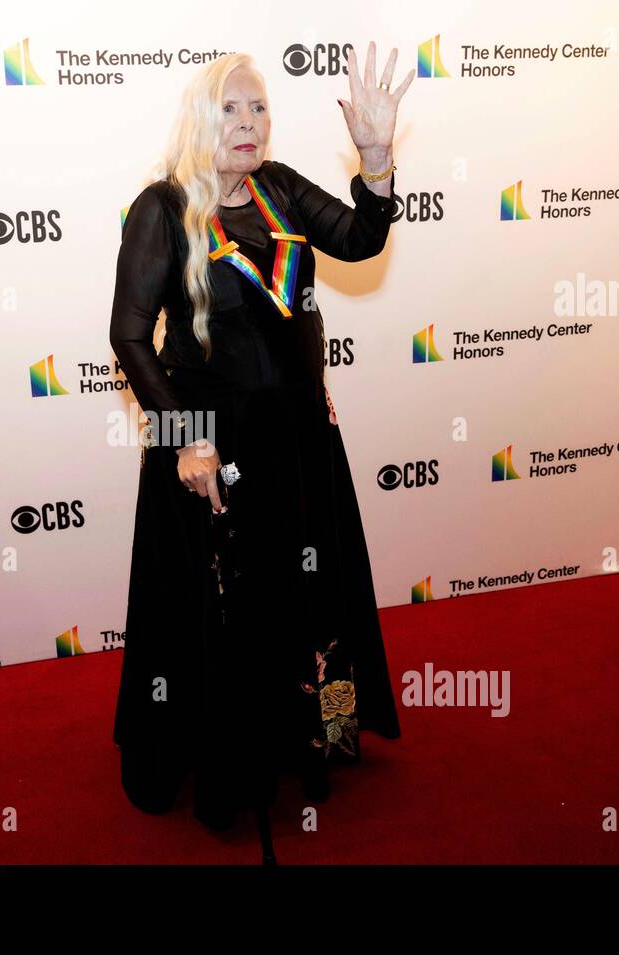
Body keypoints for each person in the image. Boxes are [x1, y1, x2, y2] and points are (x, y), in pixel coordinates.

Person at [109, 45, 413, 847]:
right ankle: (230, 756)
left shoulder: (279, 188)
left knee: (319, 599)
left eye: (259, 110)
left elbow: (358, 241)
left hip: (302, 441)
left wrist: (377, 162)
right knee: (224, 619)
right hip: (209, 453)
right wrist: (185, 440)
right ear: (201, 122)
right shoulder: (161, 209)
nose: (248, 125)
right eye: (232, 111)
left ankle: (323, 732)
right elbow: (132, 339)